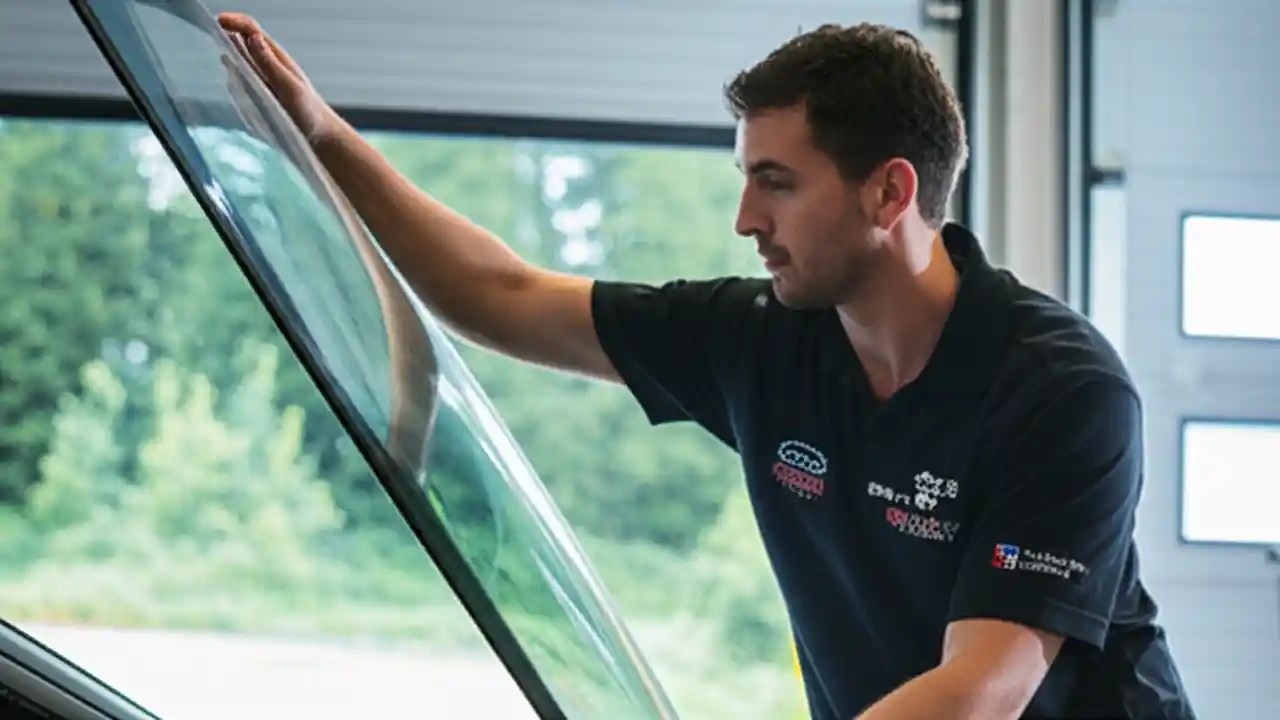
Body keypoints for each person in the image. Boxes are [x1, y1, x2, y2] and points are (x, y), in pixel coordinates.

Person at [217, 13, 1196, 719]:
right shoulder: (761, 340)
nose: (744, 221)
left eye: (775, 182)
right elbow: (500, 297)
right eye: (743, 179)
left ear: (887, 192)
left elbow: (978, 693)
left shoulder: (1062, 393)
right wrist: (321, 134)